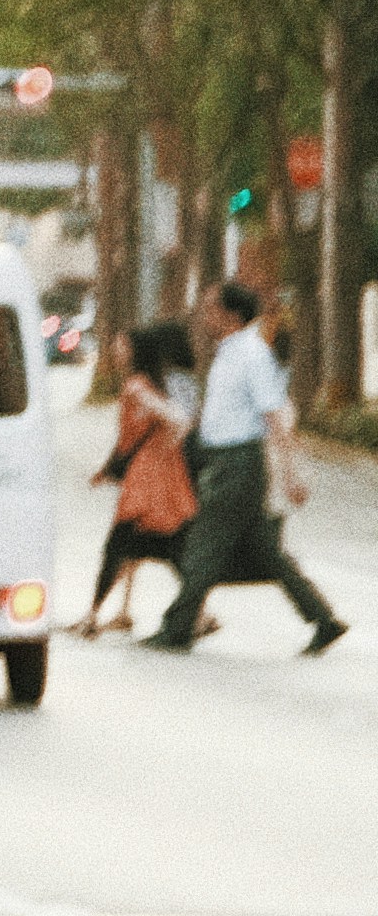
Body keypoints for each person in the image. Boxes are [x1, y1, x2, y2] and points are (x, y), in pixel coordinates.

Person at [144, 279, 345, 658]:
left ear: (231, 315)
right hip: (224, 461)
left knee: (201, 547)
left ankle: (177, 628)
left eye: (211, 308)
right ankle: (323, 619)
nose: (204, 316)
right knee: (267, 552)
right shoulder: (228, 353)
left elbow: (273, 414)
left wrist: (290, 473)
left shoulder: (251, 354)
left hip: (237, 464)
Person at [81, 315, 202, 639]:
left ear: (135, 352)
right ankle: (200, 614)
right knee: (166, 546)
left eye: (122, 346)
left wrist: (164, 444)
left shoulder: (136, 386)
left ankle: (91, 617)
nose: (116, 350)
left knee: (119, 544)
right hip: (158, 475)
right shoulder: (148, 383)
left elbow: (178, 419)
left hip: (146, 480)